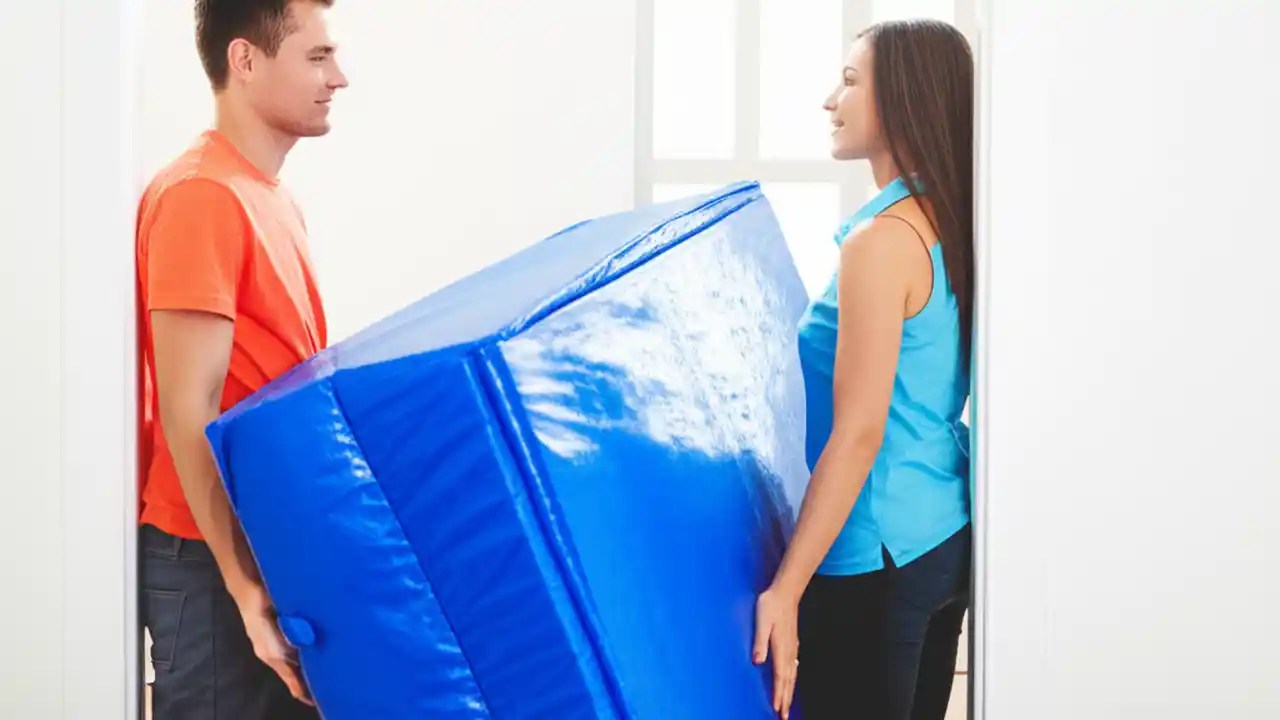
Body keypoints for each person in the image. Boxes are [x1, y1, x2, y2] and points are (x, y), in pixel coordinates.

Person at [752, 19, 975, 720]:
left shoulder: (881, 243)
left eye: (850, 81)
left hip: (874, 556)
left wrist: (786, 589)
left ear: (902, 98)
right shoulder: (948, 221)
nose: (830, 99)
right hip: (937, 535)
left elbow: (858, 433)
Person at [136, 1, 347, 716]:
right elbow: (185, 404)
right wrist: (243, 585)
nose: (338, 77)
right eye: (316, 57)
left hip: (264, 542)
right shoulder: (202, 195)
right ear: (246, 61)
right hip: (207, 555)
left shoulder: (270, 197)